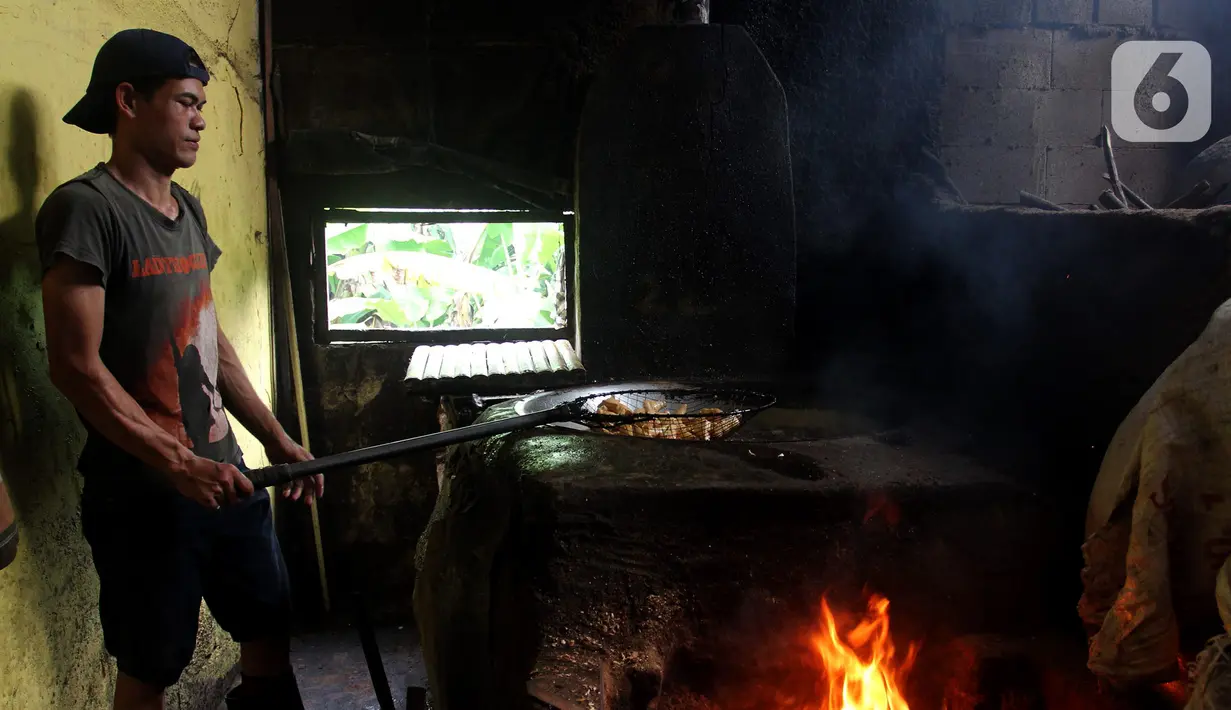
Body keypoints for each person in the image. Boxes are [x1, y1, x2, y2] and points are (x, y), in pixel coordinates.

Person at [35, 28, 324, 710]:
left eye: (202, 106)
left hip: (225, 474)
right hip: (142, 494)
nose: (199, 119)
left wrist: (273, 436)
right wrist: (176, 462)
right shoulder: (86, 210)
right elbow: (75, 369)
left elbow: (208, 337)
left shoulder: (185, 208)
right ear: (128, 100)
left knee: (268, 623)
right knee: (152, 662)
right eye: (187, 102)